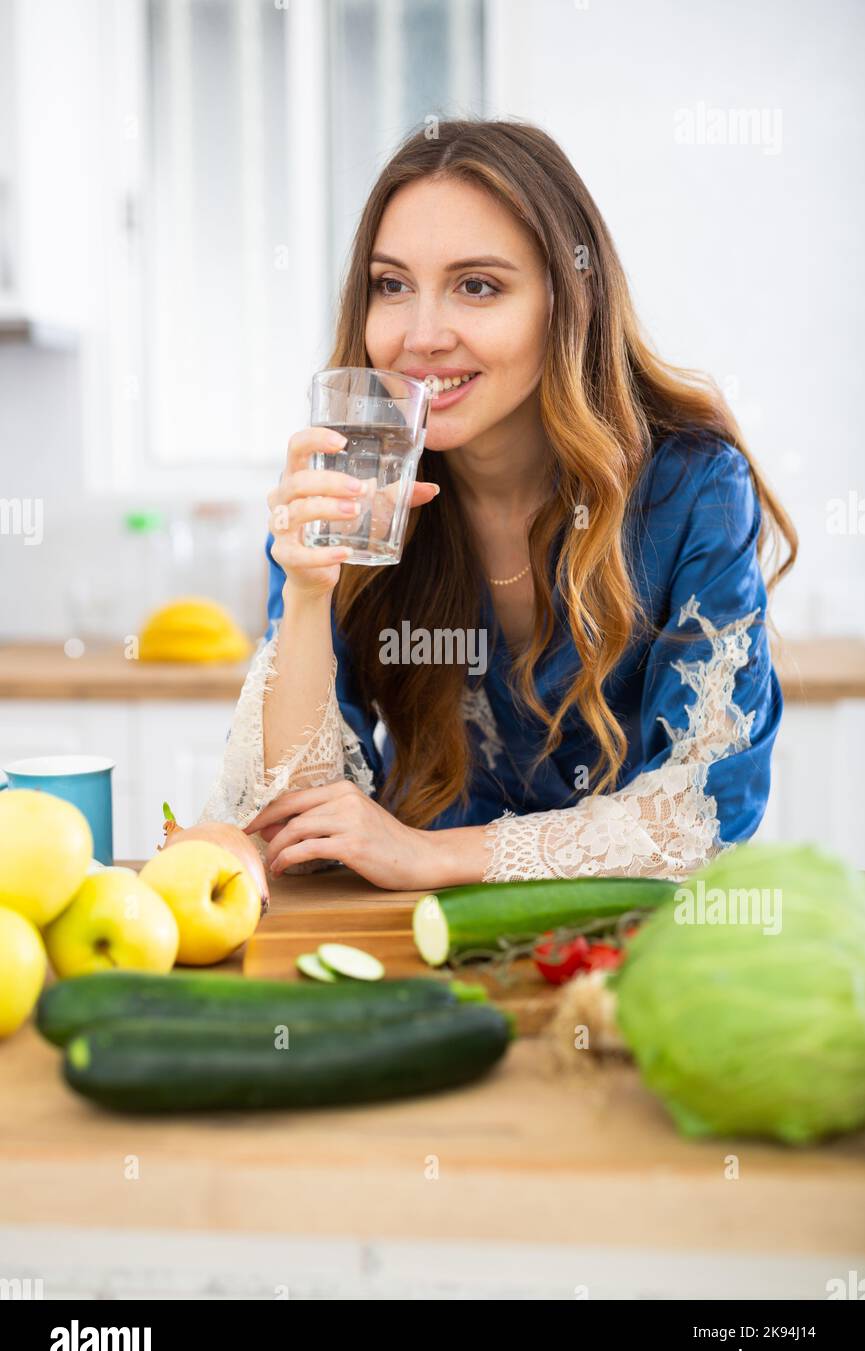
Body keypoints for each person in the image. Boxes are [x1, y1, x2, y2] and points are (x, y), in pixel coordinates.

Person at [201, 118, 796, 889]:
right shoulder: (352, 495)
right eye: (392, 285)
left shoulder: (692, 491)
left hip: (617, 952)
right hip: (414, 946)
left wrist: (431, 855)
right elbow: (294, 825)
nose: (421, 335)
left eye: (477, 286)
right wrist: (310, 595)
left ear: (570, 298)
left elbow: (706, 814)